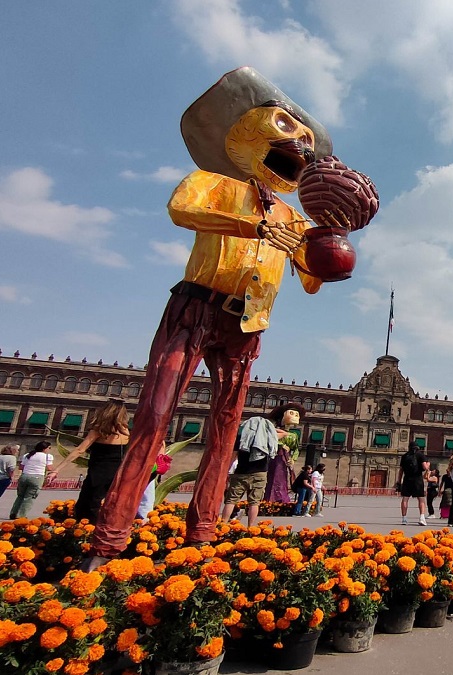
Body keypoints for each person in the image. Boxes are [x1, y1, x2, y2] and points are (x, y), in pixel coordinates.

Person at [83, 68, 374, 566]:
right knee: (154, 414)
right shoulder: (215, 183)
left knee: (226, 427)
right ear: (240, 134)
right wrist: (256, 225)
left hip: (247, 324)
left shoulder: (292, 218)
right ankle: (109, 539)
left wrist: (331, 238)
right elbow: (182, 209)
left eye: (307, 143)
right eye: (288, 132)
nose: (301, 150)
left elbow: (310, 278)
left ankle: (201, 536)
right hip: (195, 305)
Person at [51, 400, 131, 525]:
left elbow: (79, 450)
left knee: (87, 505)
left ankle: (87, 533)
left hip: (98, 473)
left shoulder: (100, 430)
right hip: (117, 473)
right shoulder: (126, 431)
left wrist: (57, 469)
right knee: (106, 504)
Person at [221, 413, 280, 527]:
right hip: (260, 474)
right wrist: (265, 426)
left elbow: (232, 456)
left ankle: (222, 524)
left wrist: (226, 471)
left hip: (240, 472)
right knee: (254, 503)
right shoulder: (267, 438)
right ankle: (251, 527)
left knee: (231, 500)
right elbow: (285, 433)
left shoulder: (241, 438)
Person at [264, 403, 304, 504]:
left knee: (283, 478)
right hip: (274, 457)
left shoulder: (294, 435)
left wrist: (293, 459)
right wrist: (281, 445)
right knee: (273, 477)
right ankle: (270, 498)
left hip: (285, 460)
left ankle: (281, 498)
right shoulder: (274, 430)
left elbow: (296, 449)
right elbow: (269, 440)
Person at [8, 441, 53, 519]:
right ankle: (21, 515)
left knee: (20, 496)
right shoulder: (47, 456)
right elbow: (49, 468)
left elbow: (21, 467)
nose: (49, 449)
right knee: (29, 497)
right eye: (49, 448)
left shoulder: (28, 455)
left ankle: (13, 513)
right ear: (44, 449)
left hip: (24, 476)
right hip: (37, 477)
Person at [397, 442, 429, 525]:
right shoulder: (421, 455)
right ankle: (422, 517)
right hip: (418, 479)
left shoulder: (405, 456)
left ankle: (404, 518)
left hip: (407, 479)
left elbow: (401, 471)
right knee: (421, 499)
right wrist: (428, 464)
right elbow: (425, 467)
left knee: (405, 499)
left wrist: (399, 481)